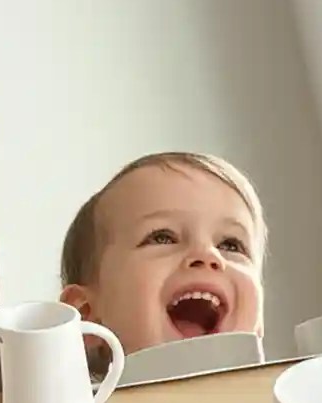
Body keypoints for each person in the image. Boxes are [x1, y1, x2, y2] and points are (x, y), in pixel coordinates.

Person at [59, 152, 267, 374]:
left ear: (259, 322)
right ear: (85, 315)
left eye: (230, 245)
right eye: (162, 237)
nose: (208, 254)